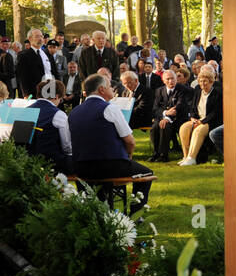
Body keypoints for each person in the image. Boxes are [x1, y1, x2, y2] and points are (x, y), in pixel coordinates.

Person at [69, 74, 154, 212]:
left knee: (100, 181)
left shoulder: (74, 112)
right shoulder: (110, 108)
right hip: (109, 165)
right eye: (110, 86)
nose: (113, 89)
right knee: (147, 174)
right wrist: (128, 156)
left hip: (81, 167)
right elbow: (130, 141)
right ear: (101, 89)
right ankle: (135, 215)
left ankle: (97, 211)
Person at [24, 80, 73, 174]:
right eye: (61, 99)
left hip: (27, 164)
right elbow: (67, 147)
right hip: (52, 165)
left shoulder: (25, 111)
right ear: (56, 96)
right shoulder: (58, 114)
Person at [177, 67, 222, 166]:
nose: (202, 83)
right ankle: (185, 156)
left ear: (211, 82)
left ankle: (192, 157)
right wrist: (193, 118)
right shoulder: (198, 92)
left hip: (211, 122)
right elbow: (193, 107)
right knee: (184, 128)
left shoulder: (217, 94)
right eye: (200, 81)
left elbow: (216, 112)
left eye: (205, 81)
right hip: (198, 119)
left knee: (198, 130)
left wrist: (203, 121)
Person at [149, 69, 191, 162]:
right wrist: (165, 114)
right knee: (154, 128)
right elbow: (155, 108)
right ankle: (156, 153)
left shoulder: (182, 89)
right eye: (167, 79)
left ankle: (164, 155)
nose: (170, 81)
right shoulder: (159, 91)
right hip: (162, 117)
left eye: (172, 78)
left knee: (165, 126)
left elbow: (179, 107)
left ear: (176, 79)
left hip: (178, 118)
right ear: (163, 80)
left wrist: (168, 118)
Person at [15, 28, 53, 97]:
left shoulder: (47, 54)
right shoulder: (23, 55)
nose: (40, 39)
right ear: (30, 39)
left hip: (49, 91)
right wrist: (26, 94)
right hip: (33, 92)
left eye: (41, 36)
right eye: (37, 36)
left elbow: (53, 72)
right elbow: (22, 77)